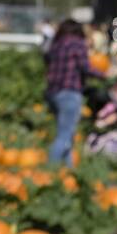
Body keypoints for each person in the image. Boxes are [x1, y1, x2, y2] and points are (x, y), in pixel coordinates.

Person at [44, 19, 105, 165]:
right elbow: (86, 68)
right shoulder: (77, 44)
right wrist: (105, 75)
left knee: (67, 135)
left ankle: (68, 171)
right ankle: (49, 171)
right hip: (69, 93)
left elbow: (46, 61)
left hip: (52, 92)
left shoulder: (56, 44)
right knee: (64, 136)